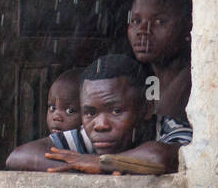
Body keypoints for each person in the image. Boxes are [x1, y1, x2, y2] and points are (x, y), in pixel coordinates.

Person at [43, 54, 190, 175]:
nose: (101, 125)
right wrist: (85, 164)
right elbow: (22, 155)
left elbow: (161, 157)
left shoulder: (175, 131)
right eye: (90, 113)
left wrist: (102, 163)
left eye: (116, 111)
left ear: (147, 109)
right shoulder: (88, 137)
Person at [126, 0, 192, 122]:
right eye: (136, 21)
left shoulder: (194, 82)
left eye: (159, 22)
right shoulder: (148, 80)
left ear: (189, 27)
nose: (143, 31)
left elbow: (164, 119)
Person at [5, 68, 83, 171]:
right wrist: (77, 169)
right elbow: (14, 158)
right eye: (52, 108)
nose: (56, 116)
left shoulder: (86, 137)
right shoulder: (64, 142)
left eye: (70, 111)